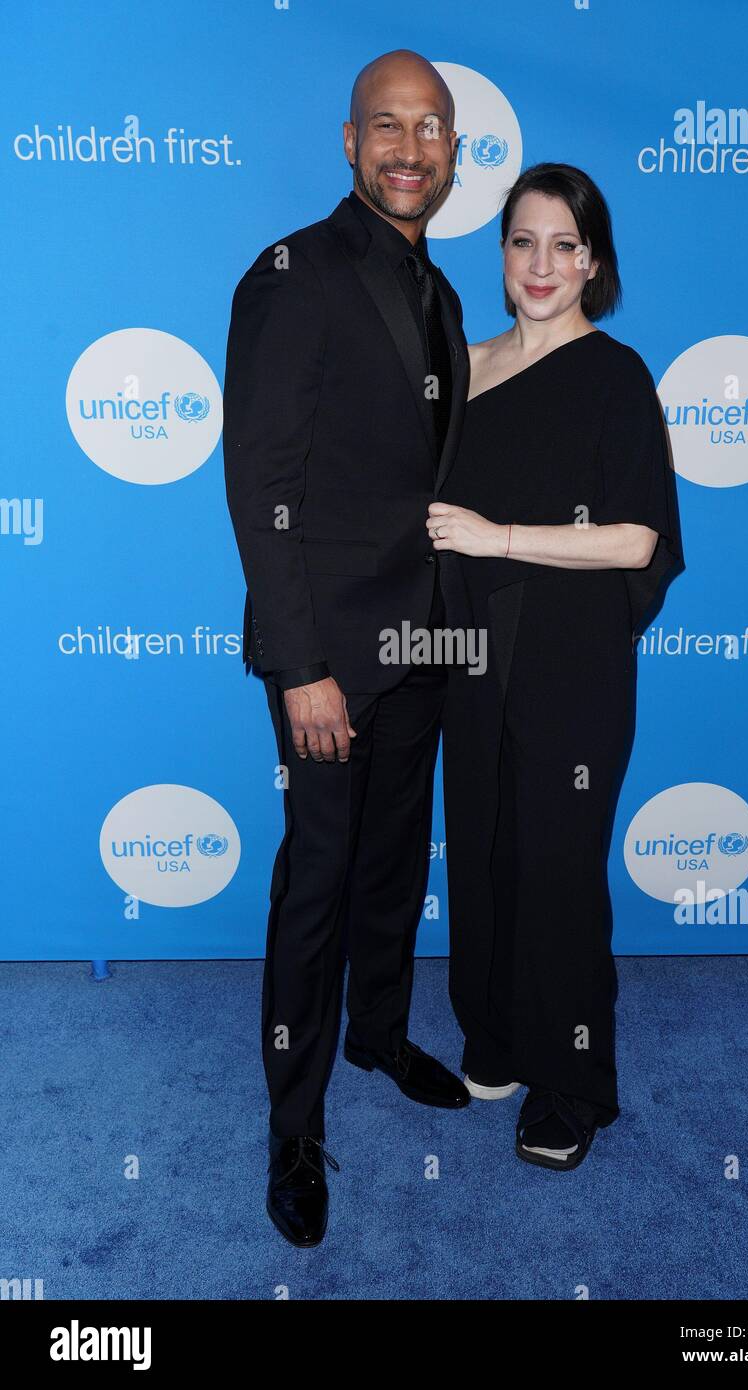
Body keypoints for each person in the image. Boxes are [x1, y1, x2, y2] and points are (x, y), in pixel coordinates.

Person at [223, 50, 471, 1248]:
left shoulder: (446, 294)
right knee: (315, 885)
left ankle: (379, 1033)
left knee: (388, 866)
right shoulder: (293, 274)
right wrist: (301, 663)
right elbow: (260, 482)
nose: (409, 148)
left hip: (422, 639)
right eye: (388, 125)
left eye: (430, 129)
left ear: (455, 150)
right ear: (348, 141)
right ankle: (292, 1125)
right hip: (327, 655)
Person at [428, 163, 684, 1171]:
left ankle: (571, 1079)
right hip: (470, 653)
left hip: (571, 661)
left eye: (563, 246)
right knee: (485, 849)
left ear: (594, 264)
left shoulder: (614, 375)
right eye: (522, 241)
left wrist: (496, 539)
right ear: (501, 255)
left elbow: (637, 540)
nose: (541, 264)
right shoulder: (464, 363)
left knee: (556, 868)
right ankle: (493, 1036)